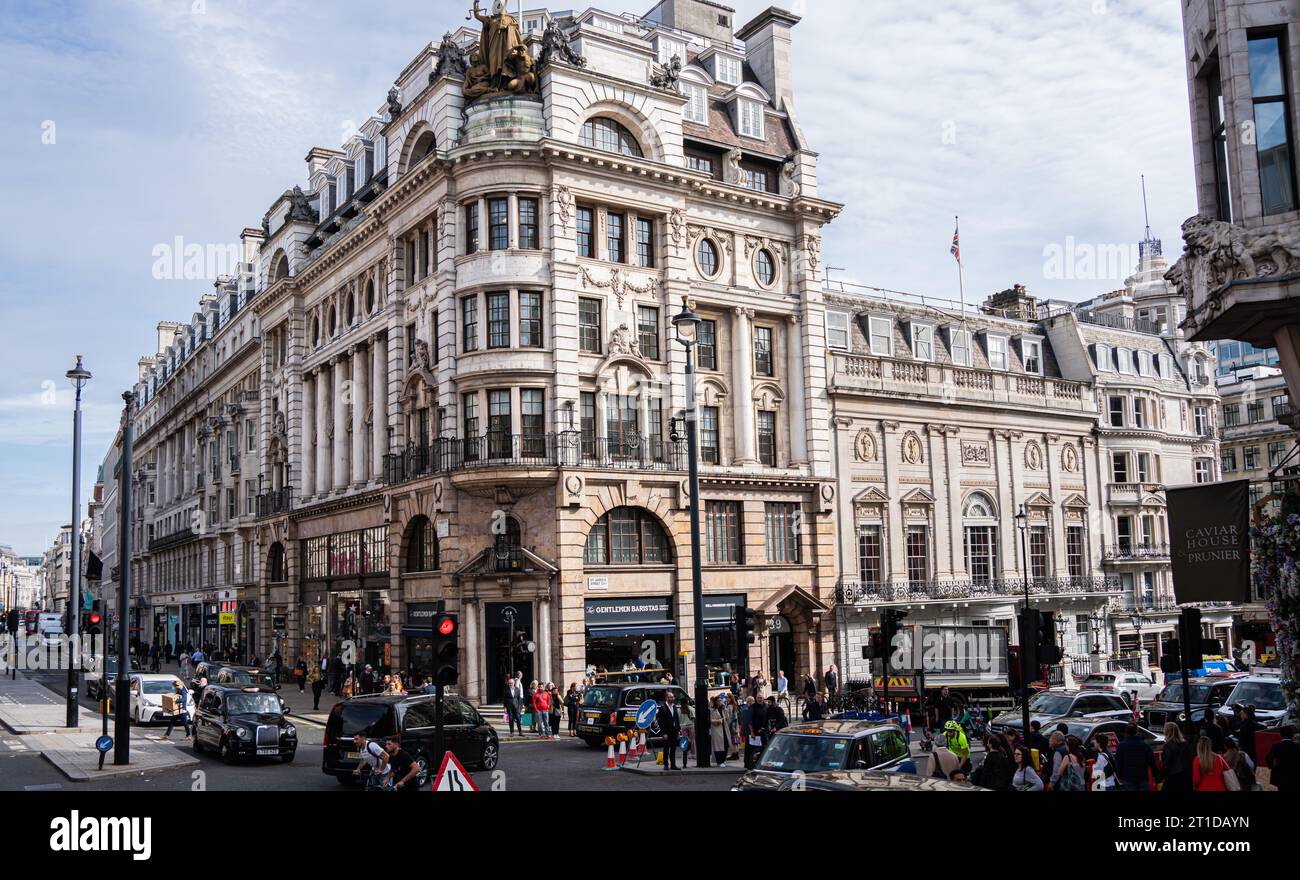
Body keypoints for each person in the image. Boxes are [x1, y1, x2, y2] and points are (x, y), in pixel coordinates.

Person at [1114, 723, 1158, 791]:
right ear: (1137, 731)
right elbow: (1152, 762)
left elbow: (1118, 762)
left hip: (1128, 778)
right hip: (1142, 777)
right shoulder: (1144, 745)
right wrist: (1155, 775)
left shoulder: (1121, 745)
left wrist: (1119, 776)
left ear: (1126, 732)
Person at [1159, 723, 1194, 792]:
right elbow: (1190, 759)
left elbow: (1167, 765)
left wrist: (1159, 777)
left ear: (1167, 732)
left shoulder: (1168, 746)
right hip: (1186, 776)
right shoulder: (1185, 744)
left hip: (1173, 778)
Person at [1266, 726, 1299, 792]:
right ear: (1292, 735)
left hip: (1281, 777)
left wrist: (1271, 767)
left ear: (1281, 735)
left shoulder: (1276, 746)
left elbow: (1269, 758)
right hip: (1295, 777)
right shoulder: (1297, 747)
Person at [661, 689, 683, 771]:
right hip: (667, 732)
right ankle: (666, 765)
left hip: (674, 731)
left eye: (673, 697)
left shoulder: (674, 706)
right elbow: (661, 722)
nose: (672, 698)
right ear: (667, 698)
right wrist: (664, 733)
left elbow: (676, 719)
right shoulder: (663, 707)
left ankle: (673, 765)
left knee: (673, 749)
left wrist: (678, 731)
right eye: (670, 697)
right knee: (666, 749)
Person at [746, 695, 769, 769]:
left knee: (764, 748)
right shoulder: (752, 707)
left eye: (761, 697)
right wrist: (752, 732)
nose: (760, 699)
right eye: (758, 698)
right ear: (756, 698)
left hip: (764, 731)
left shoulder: (766, 706)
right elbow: (749, 721)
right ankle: (750, 766)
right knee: (753, 750)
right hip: (755, 732)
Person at [709, 696, 732, 768]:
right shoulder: (712, 710)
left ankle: (723, 759)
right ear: (715, 702)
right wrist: (719, 721)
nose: (720, 702)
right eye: (718, 701)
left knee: (726, 744)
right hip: (717, 730)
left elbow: (728, 718)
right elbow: (711, 720)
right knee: (718, 746)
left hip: (724, 729)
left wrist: (725, 709)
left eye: (721, 700)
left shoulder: (723, 709)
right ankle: (719, 761)